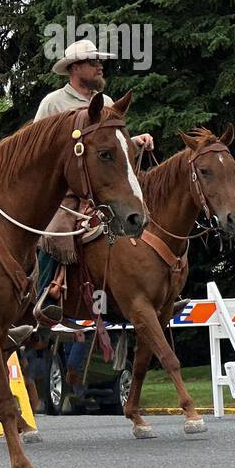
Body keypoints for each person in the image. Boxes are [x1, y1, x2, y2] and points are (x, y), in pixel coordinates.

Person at [31, 39, 153, 324]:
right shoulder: (53, 103)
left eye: (100, 62)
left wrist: (135, 142)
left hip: (102, 188)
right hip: (66, 191)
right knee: (57, 232)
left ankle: (151, 289)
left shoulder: (107, 103)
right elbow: (35, 150)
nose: (100, 67)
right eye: (93, 62)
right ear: (74, 68)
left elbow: (111, 147)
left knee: (142, 216)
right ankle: (44, 298)